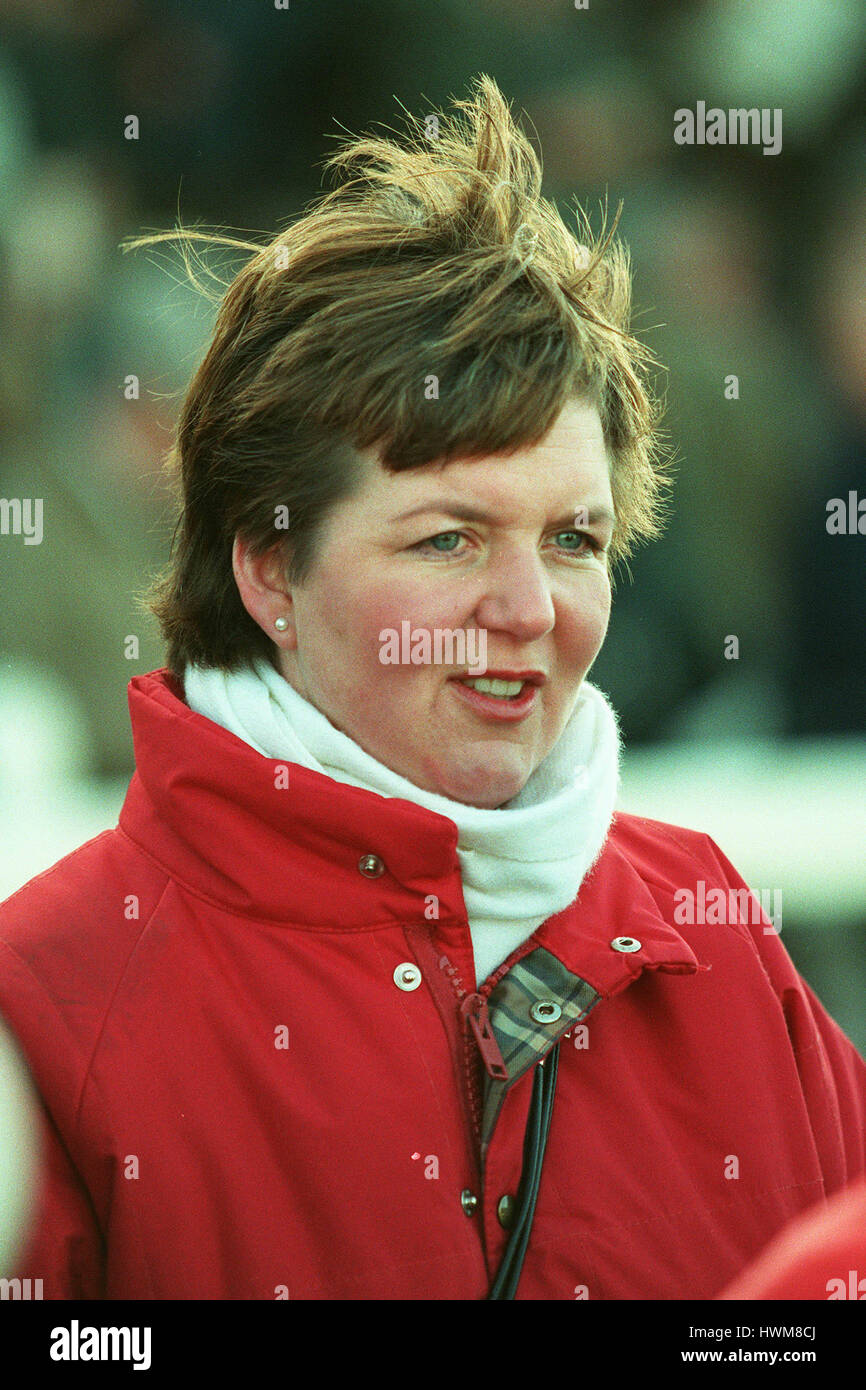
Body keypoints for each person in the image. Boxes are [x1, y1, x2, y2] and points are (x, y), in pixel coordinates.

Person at [1, 75, 864, 1301]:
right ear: (267, 568)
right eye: (447, 539)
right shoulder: (49, 1000)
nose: (527, 610)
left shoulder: (716, 941)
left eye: (572, 538)